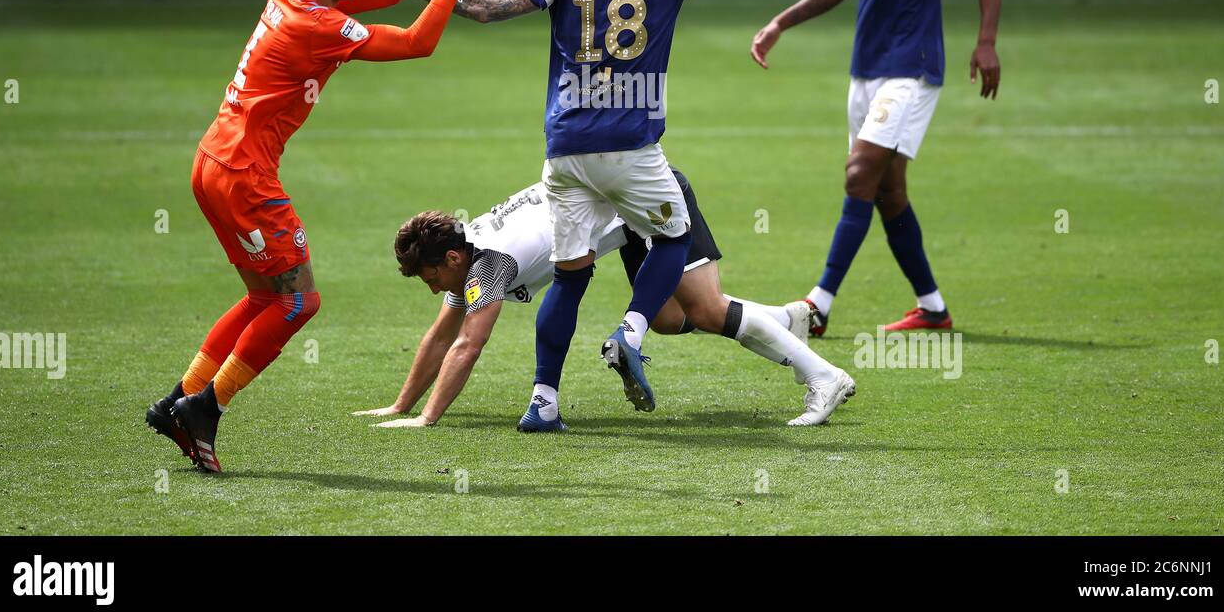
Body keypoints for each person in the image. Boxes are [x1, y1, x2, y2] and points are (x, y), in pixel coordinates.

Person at [353, 0, 850, 429]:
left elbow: (488, 9)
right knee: (677, 268)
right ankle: (635, 333)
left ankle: (546, 400)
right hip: (634, 150)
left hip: (565, 151)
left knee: (598, 285)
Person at [145, 0, 500, 473]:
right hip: (246, 176)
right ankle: (206, 407)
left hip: (212, 161)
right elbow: (417, 42)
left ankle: (178, 401)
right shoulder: (318, 25)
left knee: (264, 295)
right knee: (297, 303)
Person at [353, 169, 854, 431]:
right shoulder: (472, 250)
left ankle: (824, 377)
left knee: (706, 309)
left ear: (453, 258)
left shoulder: (486, 263)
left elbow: (466, 345)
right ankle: (789, 319)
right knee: (667, 318)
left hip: (649, 198)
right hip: (623, 214)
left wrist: (427, 418)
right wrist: (400, 405)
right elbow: (441, 335)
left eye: (430, 275)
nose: (432, 286)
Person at [750, 0, 1002, 335]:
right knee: (888, 194)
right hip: (865, 72)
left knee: (858, 175)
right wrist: (780, 22)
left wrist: (985, 42)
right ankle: (933, 308)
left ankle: (817, 306)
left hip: (913, 69)